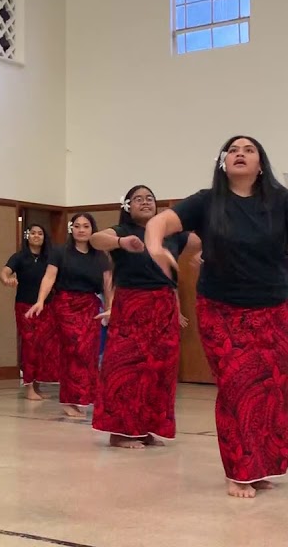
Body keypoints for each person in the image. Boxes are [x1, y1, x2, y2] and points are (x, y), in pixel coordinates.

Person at [144, 135, 288, 499]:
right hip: (221, 309)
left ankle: (261, 466)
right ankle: (239, 470)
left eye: (248, 150)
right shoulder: (207, 202)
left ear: (260, 163)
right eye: (233, 150)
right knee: (238, 388)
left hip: (273, 309)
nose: (239, 154)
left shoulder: (280, 201)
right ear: (224, 162)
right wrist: (155, 247)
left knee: (272, 391)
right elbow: (159, 223)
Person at [90, 185, 200, 448]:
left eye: (149, 198)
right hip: (132, 304)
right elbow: (95, 239)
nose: (145, 202)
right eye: (137, 199)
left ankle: (144, 428)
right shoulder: (122, 232)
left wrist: (201, 253)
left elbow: (203, 238)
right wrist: (120, 243)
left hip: (163, 307)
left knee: (159, 370)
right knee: (127, 367)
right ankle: (121, 432)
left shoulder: (172, 235)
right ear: (127, 206)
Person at [26, 213, 112, 418]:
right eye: (77, 226)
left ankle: (82, 398)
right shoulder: (59, 252)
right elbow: (49, 277)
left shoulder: (101, 256)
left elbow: (108, 284)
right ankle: (69, 399)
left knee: (89, 354)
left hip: (90, 307)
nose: (81, 230)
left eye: (86, 226)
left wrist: (110, 307)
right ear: (71, 229)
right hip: (65, 306)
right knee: (75, 350)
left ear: (93, 229)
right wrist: (40, 300)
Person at [0, 223, 58, 400]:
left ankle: (38, 384)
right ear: (28, 236)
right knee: (29, 344)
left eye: (40, 233)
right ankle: (29, 387)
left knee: (43, 345)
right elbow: (4, 271)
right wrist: (7, 279)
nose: (36, 236)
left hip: (47, 307)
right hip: (25, 306)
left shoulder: (50, 258)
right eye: (33, 233)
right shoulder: (19, 257)